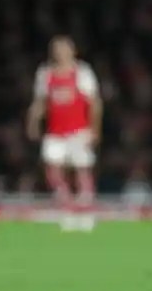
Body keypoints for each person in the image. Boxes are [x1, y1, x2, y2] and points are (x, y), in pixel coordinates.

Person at [26, 36, 102, 232]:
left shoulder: (82, 72)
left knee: (82, 168)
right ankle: (65, 202)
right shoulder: (45, 73)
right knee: (52, 168)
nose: (60, 53)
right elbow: (40, 101)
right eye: (57, 49)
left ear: (73, 51)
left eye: (64, 49)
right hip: (55, 131)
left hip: (78, 130)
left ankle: (85, 207)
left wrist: (95, 129)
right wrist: (33, 122)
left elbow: (94, 102)